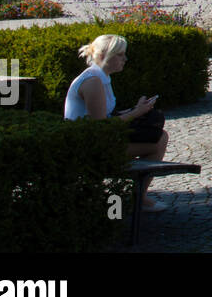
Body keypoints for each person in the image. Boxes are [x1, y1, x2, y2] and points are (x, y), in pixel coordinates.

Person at [64, 34, 168, 212]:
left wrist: (135, 109)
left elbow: (106, 116)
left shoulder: (100, 77)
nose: (125, 59)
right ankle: (138, 198)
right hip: (88, 147)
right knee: (158, 141)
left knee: (159, 137)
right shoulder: (93, 81)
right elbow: (101, 125)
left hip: (95, 139)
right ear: (104, 56)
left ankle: (138, 197)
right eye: (120, 55)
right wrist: (136, 112)